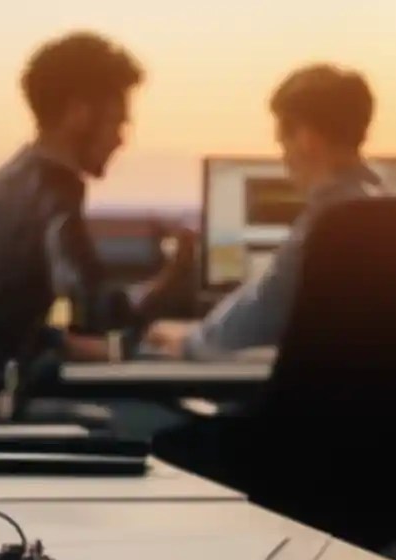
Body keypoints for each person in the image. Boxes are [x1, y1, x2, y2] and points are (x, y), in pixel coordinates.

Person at [0, 31, 193, 421]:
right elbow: (99, 313)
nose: (121, 138)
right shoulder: (54, 194)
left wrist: (71, 344)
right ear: (79, 112)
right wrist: (174, 276)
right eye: (117, 121)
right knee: (128, 426)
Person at [144, 63, 383, 359]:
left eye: (284, 143)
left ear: (307, 138)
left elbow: (235, 338)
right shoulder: (393, 215)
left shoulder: (327, 225)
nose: (284, 158)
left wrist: (184, 342)